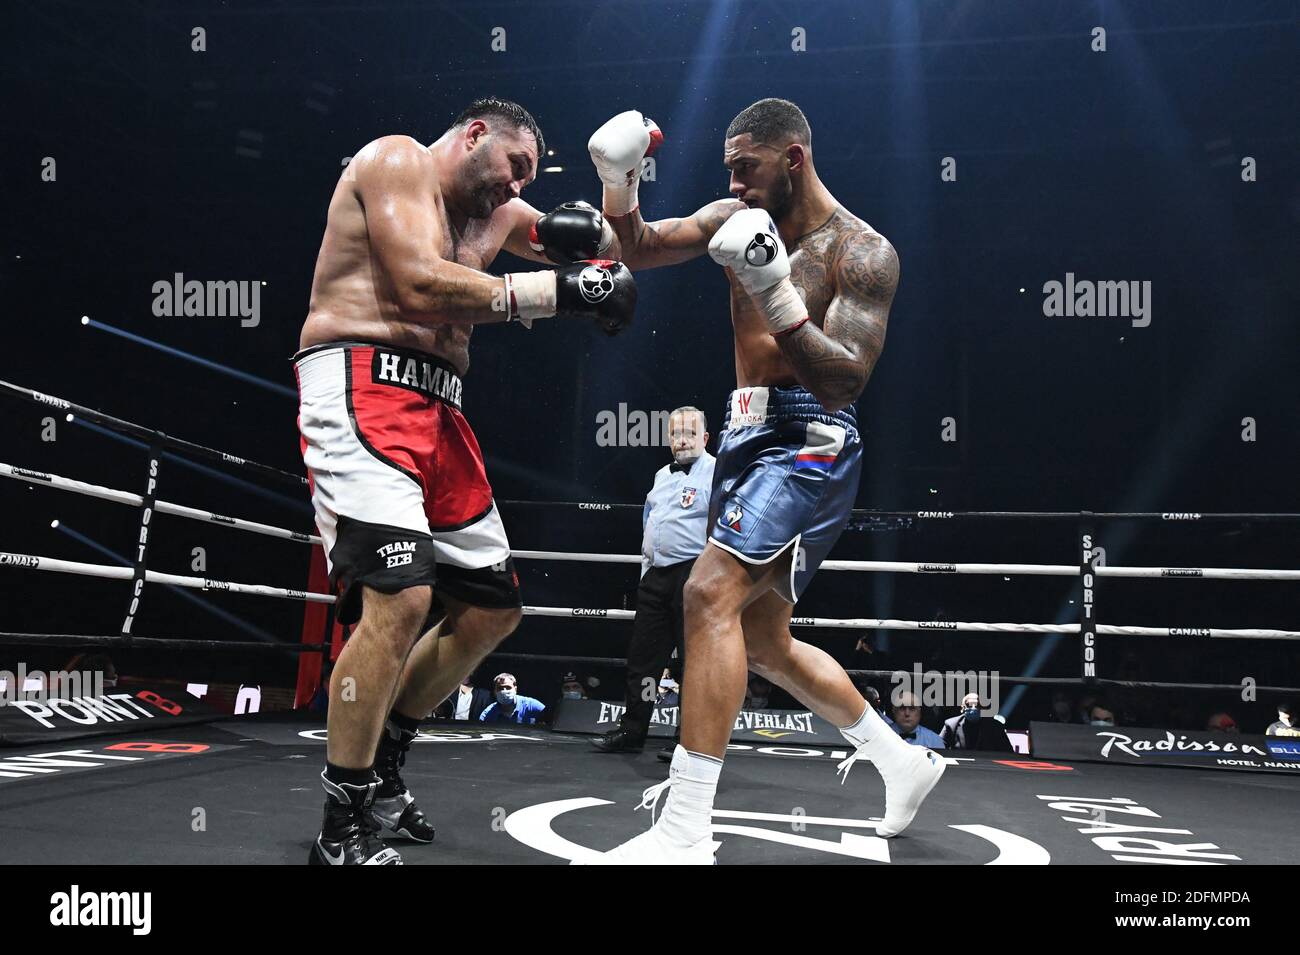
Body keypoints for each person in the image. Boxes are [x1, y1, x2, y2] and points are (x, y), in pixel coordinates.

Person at [583, 99, 944, 864]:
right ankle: (899, 758)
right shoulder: (732, 213)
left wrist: (775, 292)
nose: (735, 186)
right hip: (746, 432)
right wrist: (621, 184)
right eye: (728, 171)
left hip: (811, 435)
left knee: (707, 594)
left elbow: (844, 381)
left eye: (746, 168)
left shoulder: (862, 252)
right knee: (761, 637)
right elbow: (638, 248)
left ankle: (684, 829)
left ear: (794, 160)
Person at [296, 97, 638, 865]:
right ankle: (340, 823)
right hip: (360, 383)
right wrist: (558, 295)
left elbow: (611, 254)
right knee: (403, 597)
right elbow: (418, 285)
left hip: (441, 409)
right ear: (477, 135)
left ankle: (384, 758)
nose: (517, 190)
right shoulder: (396, 161)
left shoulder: (507, 214)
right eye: (515, 168)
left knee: (492, 609)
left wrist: (624, 188)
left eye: (527, 180)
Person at [593, 406, 714, 753]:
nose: (682, 440)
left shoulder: (717, 472)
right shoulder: (662, 475)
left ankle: (687, 741)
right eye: (676, 434)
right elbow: (651, 524)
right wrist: (647, 569)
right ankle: (632, 731)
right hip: (655, 576)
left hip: (693, 575)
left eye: (690, 433)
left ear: (704, 438)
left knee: (692, 660)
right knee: (643, 658)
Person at [940, 692, 1012, 752]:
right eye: (969, 705)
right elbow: (938, 748)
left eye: (977, 705)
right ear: (963, 708)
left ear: (981, 708)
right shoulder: (951, 725)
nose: (973, 708)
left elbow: (1008, 752)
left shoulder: (995, 726)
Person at [479, 673, 547, 724]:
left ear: (515, 689)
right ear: (494, 691)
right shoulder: (488, 714)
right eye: (500, 688)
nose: (504, 691)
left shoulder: (531, 706)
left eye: (508, 687)